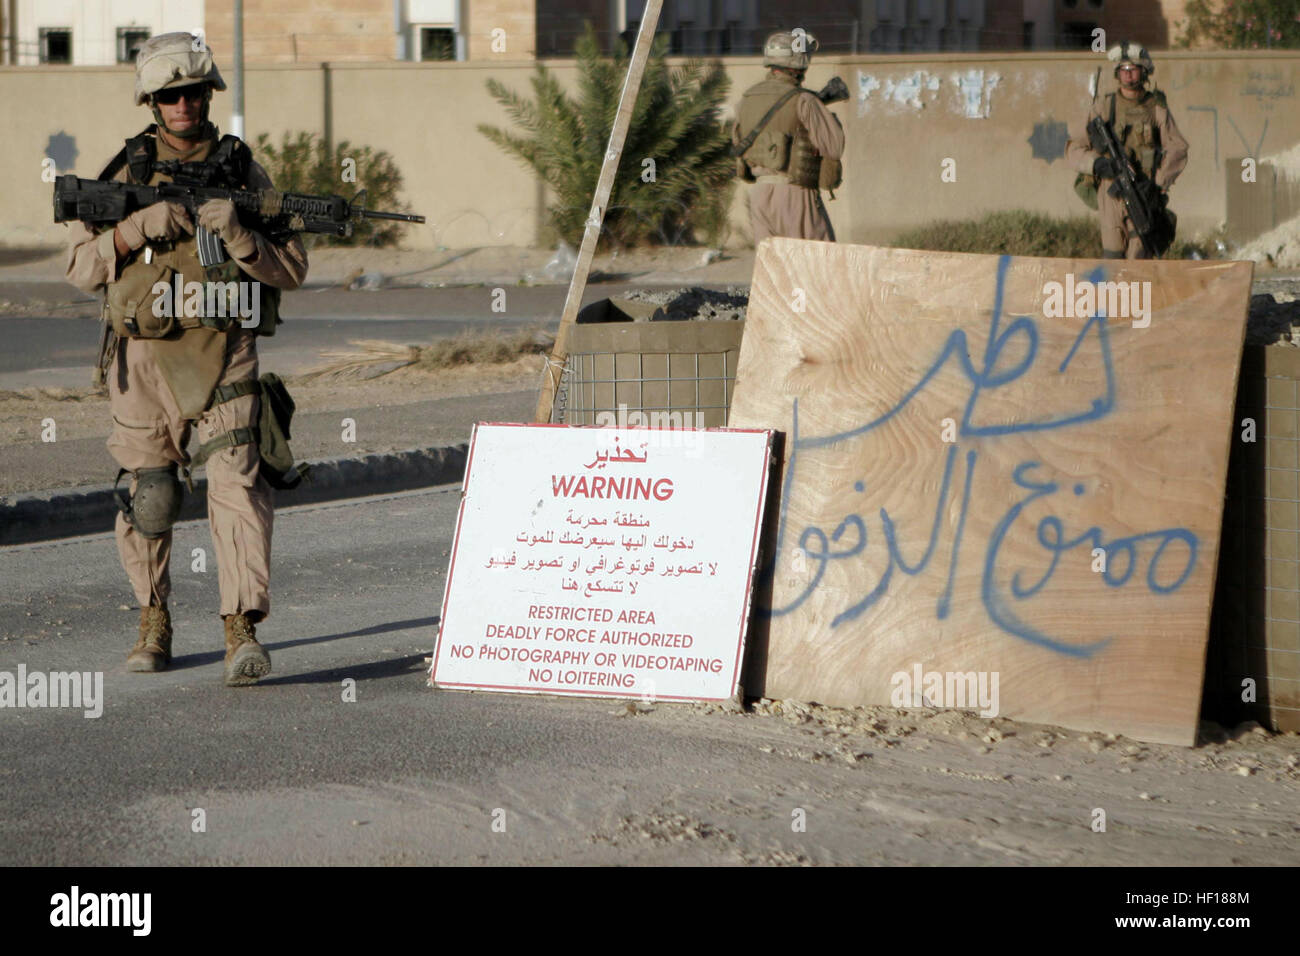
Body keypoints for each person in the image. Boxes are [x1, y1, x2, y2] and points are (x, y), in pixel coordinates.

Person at [63, 33, 308, 685]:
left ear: (208, 95)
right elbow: (79, 268)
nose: (182, 104)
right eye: (169, 94)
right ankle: (153, 617)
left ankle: (240, 629)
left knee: (237, 489)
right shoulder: (125, 173)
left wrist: (237, 231)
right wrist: (133, 230)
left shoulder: (241, 171)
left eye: (193, 92)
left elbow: (292, 269)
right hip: (141, 363)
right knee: (151, 498)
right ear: (152, 101)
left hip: (225, 353)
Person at [1066, 40, 1188, 259]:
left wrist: (1158, 183)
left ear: (1145, 72)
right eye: (1124, 70)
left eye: (1134, 70)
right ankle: (1114, 293)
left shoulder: (1156, 108)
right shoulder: (1103, 107)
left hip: (1144, 191)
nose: (1129, 75)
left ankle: (1139, 293)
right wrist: (1099, 164)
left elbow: (1177, 148)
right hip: (1110, 189)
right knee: (1113, 254)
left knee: (1140, 252)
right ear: (1117, 73)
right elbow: (1074, 148)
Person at [732, 30, 845, 243]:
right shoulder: (803, 100)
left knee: (774, 268)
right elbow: (834, 145)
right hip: (796, 194)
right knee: (816, 262)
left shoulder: (746, 99)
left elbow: (737, 140)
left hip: (760, 194)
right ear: (797, 64)